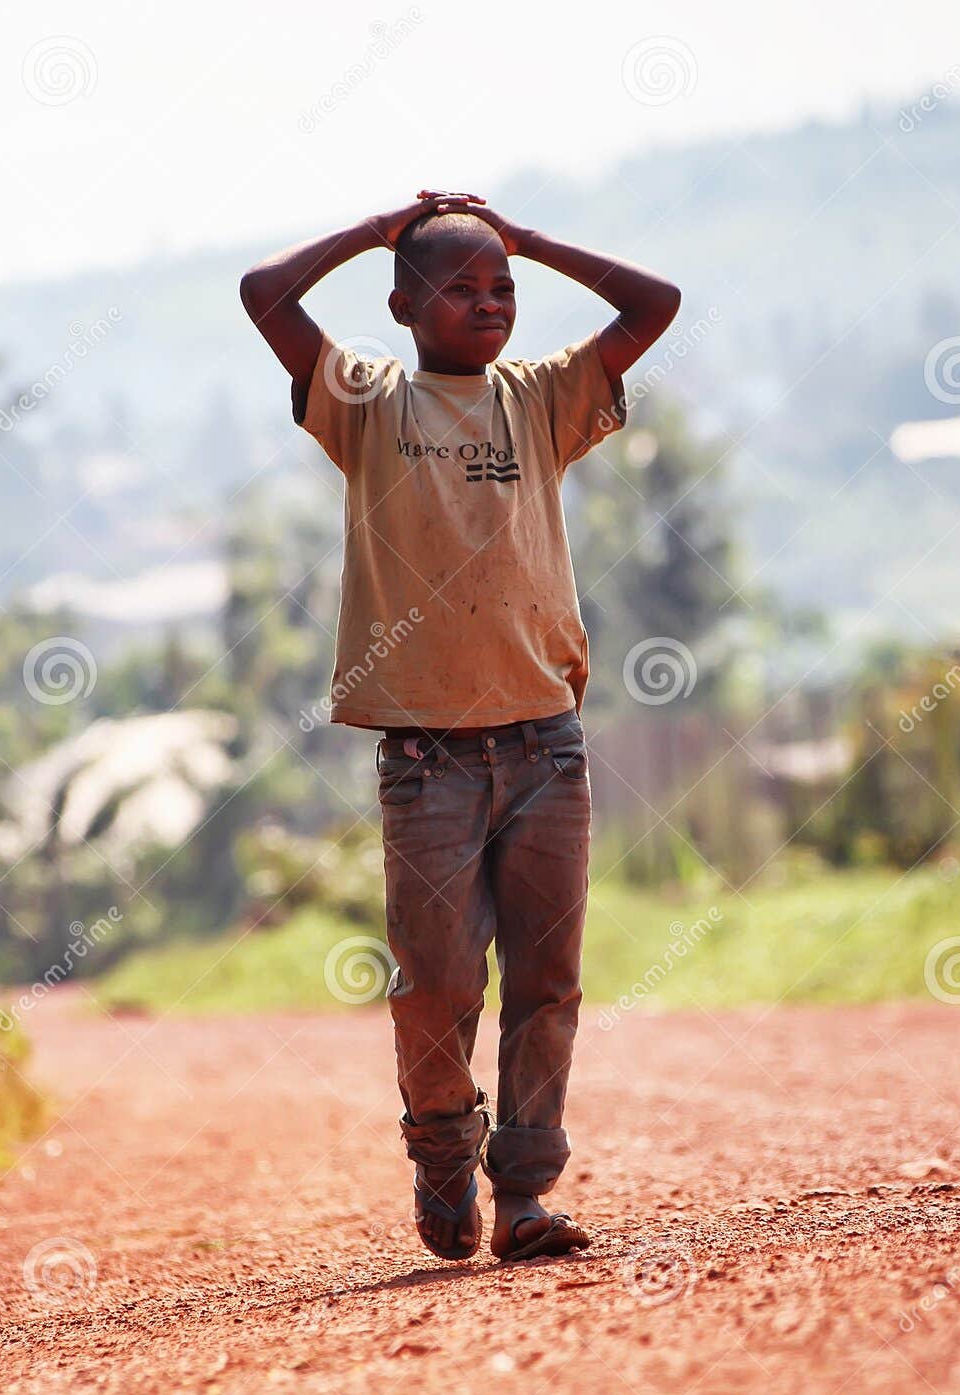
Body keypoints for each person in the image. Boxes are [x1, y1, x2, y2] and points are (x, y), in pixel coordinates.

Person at [240, 189, 680, 1264]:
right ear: (401, 306)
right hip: (426, 761)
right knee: (434, 980)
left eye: (503, 289)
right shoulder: (365, 403)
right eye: (460, 287)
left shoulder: (540, 400)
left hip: (546, 747)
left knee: (548, 980)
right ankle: (442, 1149)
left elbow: (653, 301)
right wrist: (373, 229)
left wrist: (527, 238)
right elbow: (262, 295)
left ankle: (525, 1193)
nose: (488, 304)